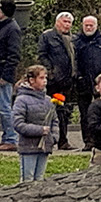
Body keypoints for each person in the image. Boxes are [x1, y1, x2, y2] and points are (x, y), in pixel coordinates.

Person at [72, 16, 101, 149]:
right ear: (82, 26)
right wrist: (79, 76)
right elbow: (73, 61)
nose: (89, 28)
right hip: (83, 83)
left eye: (91, 25)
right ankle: (88, 141)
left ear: (96, 26)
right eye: (86, 25)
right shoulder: (76, 42)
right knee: (85, 114)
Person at [37, 11, 78, 149]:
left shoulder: (74, 39)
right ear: (57, 22)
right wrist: (51, 72)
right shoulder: (47, 36)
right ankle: (46, 140)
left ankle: (63, 140)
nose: (67, 25)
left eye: (69, 22)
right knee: (48, 112)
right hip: (53, 81)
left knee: (65, 113)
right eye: (64, 21)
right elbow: (42, 55)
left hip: (68, 82)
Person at [0, 0, 23, 152]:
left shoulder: (12, 29)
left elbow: (14, 54)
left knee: (4, 107)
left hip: (3, 73)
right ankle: (7, 137)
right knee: (0, 106)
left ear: (3, 11)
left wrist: (6, 75)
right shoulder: (1, 26)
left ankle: (10, 138)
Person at [12, 64, 56, 183]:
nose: (45, 81)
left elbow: (54, 120)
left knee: (40, 179)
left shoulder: (48, 100)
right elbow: (18, 123)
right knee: (28, 180)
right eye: (41, 78)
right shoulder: (22, 100)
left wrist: (53, 137)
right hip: (28, 147)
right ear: (32, 80)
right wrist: (40, 130)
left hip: (44, 147)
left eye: (45, 78)